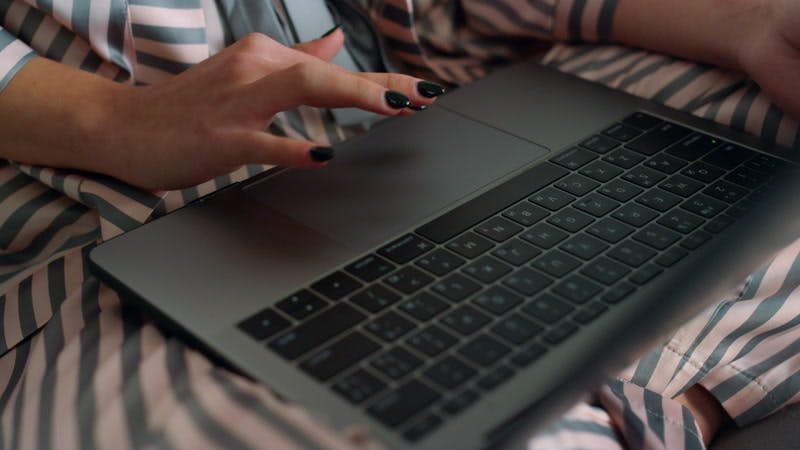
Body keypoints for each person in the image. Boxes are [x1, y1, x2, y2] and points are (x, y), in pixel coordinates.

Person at [0, 0, 797, 448]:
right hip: (121, 252)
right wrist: (119, 122)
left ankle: (584, 399)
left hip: (427, 136)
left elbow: (428, 14)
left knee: (757, 133)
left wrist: (753, 26)